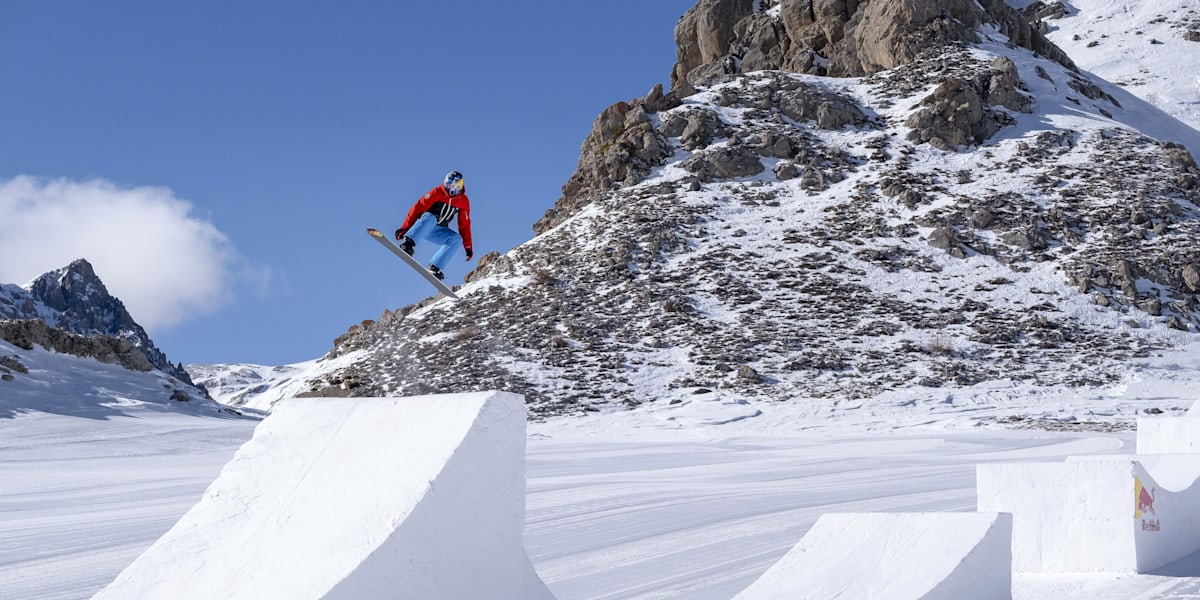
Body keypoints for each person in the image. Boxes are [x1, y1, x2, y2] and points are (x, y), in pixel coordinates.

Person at [394, 171, 474, 280]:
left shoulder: (463, 201)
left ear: (461, 186)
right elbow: (418, 207)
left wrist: (468, 246)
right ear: (445, 183)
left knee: (456, 239)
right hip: (424, 226)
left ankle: (434, 267)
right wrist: (405, 228)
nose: (452, 189)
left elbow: (464, 224)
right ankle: (408, 244)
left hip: (438, 231)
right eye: (450, 185)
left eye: (456, 186)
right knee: (431, 217)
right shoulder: (437, 192)